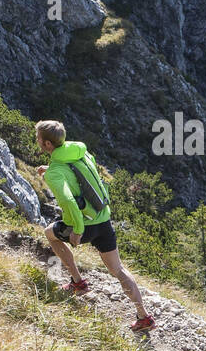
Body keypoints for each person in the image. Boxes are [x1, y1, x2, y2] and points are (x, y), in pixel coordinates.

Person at [34, 120, 155, 331]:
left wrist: (77, 231)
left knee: (49, 233)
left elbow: (68, 201)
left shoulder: (55, 172)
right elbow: (78, 174)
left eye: (38, 139)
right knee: (118, 270)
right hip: (103, 218)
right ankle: (144, 316)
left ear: (47, 145)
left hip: (85, 225)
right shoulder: (80, 152)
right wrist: (51, 168)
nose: (36, 141)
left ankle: (77, 282)